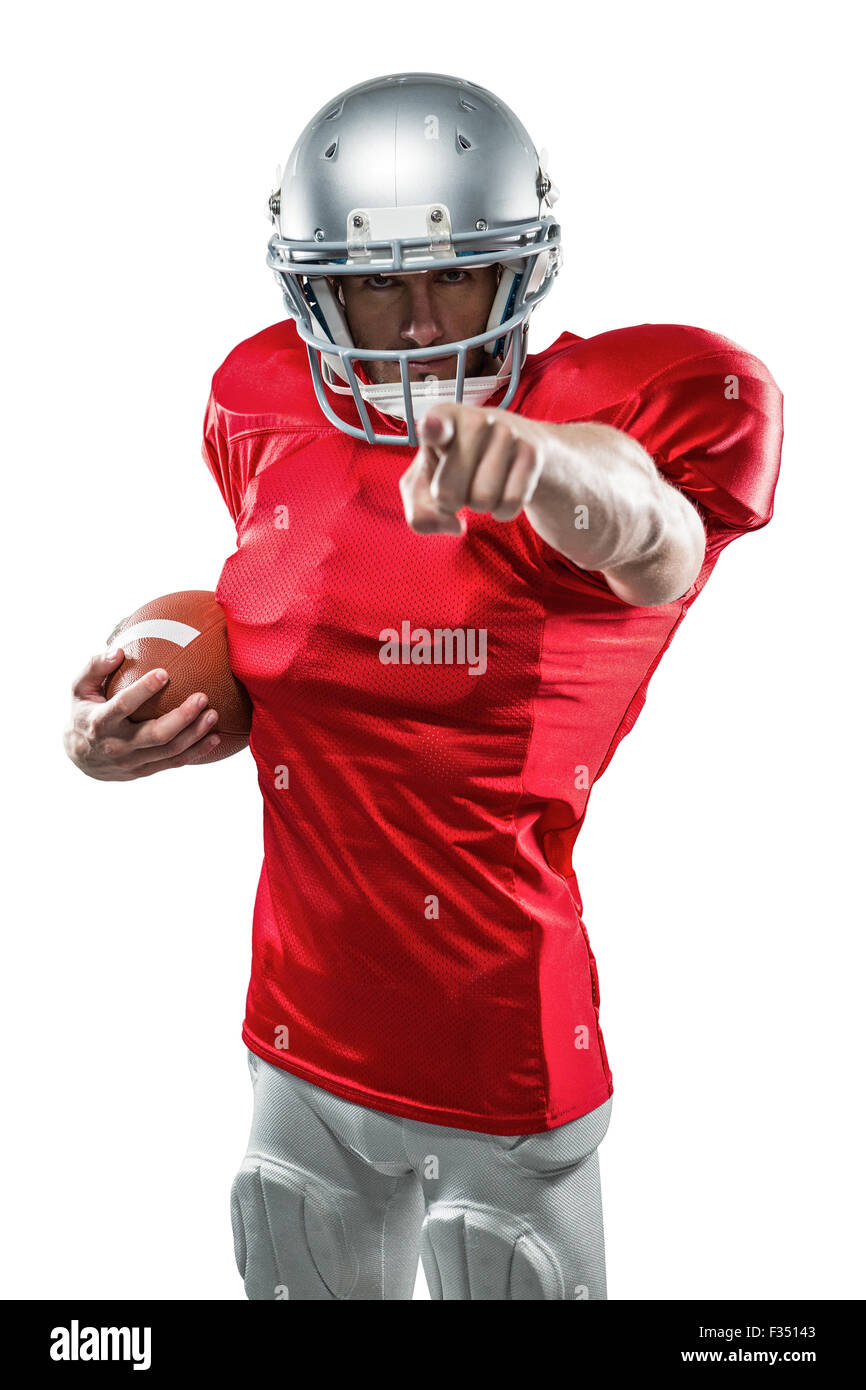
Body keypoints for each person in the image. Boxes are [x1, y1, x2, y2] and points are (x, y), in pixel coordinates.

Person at [64, 71, 783, 1300]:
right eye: (372, 282)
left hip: (499, 1044)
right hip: (297, 1028)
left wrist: (543, 464)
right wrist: (116, 725)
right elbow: (294, 625)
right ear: (311, 288)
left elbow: (649, 534)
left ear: (521, 268)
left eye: (450, 273)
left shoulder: (613, 417)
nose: (411, 326)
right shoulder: (259, 406)